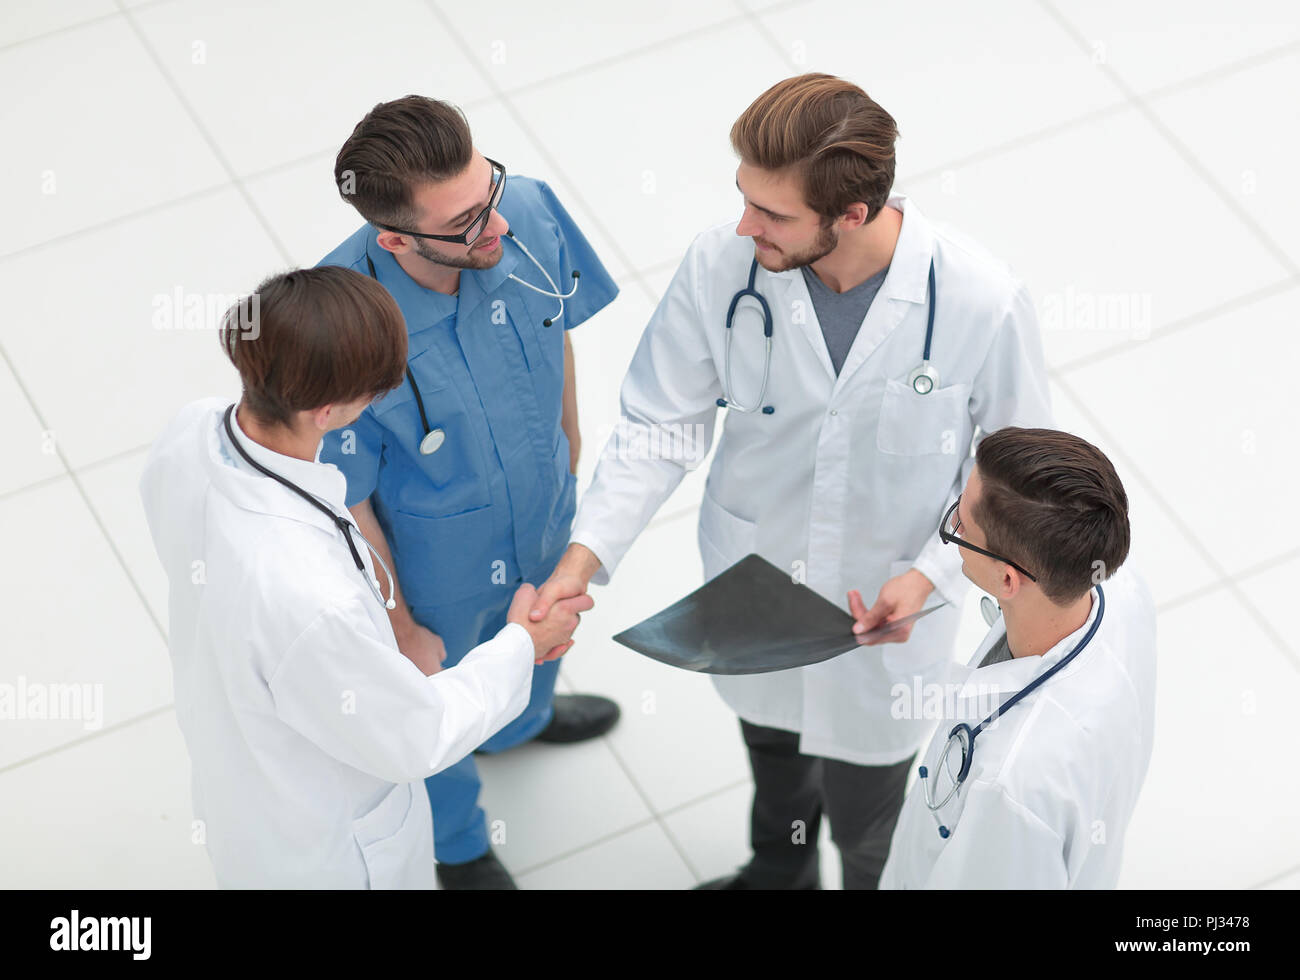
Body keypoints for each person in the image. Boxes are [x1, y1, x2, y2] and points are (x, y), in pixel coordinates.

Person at [530, 74, 1053, 889]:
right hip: (753, 580)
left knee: (871, 814)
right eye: (744, 198)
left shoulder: (978, 300)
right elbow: (659, 427)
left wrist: (929, 577)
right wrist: (583, 558)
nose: (745, 226)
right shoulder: (723, 265)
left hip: (889, 609)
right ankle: (779, 874)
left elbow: (1016, 476)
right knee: (772, 754)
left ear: (854, 213)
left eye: (772, 214)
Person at [139, 267, 592, 888]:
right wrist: (521, 645)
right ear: (329, 411)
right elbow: (417, 734)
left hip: (243, 753)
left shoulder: (194, 429)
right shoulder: (309, 599)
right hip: (331, 855)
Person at [317, 96, 622, 889]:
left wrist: (573, 448)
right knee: (440, 705)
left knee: (544, 637)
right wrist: (401, 624)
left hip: (547, 511)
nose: (494, 228)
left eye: (488, 191)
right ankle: (456, 843)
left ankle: (521, 721)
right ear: (394, 238)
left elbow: (559, 328)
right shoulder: (342, 322)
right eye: (462, 225)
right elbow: (345, 498)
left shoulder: (521, 210)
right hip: (433, 567)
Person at [880, 426, 1156, 888]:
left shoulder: (1010, 786)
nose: (953, 530)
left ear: (1009, 581)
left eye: (960, 526)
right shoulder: (1122, 591)